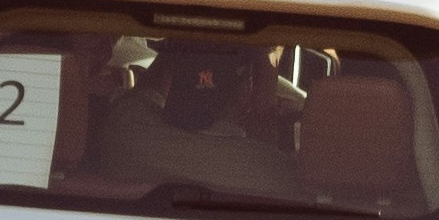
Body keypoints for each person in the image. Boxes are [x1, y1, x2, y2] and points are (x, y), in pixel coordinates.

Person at [94, 40, 297, 203]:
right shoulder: (275, 173)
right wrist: (265, 57)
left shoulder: (125, 131)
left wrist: (185, 44)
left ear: (174, 71)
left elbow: (145, 92)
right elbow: (263, 118)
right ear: (245, 92)